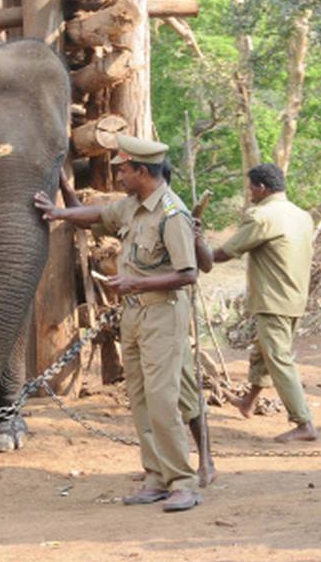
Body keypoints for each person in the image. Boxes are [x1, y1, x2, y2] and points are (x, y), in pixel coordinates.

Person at [35, 134, 201, 512]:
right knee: (140, 399)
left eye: (124, 170)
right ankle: (156, 478)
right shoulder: (132, 207)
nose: (120, 176)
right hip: (135, 314)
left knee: (162, 401)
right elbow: (96, 216)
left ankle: (183, 482)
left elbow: (188, 273)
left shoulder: (172, 214)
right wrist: (59, 212)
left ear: (143, 171)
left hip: (162, 313)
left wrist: (135, 282)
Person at [200, 163, 317, 443]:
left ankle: (304, 423)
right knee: (263, 352)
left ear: (262, 188)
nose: (249, 193)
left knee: (278, 358)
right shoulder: (301, 215)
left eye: (251, 187)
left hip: (273, 299)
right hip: (294, 296)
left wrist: (196, 250)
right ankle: (248, 402)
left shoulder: (262, 216)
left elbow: (227, 252)